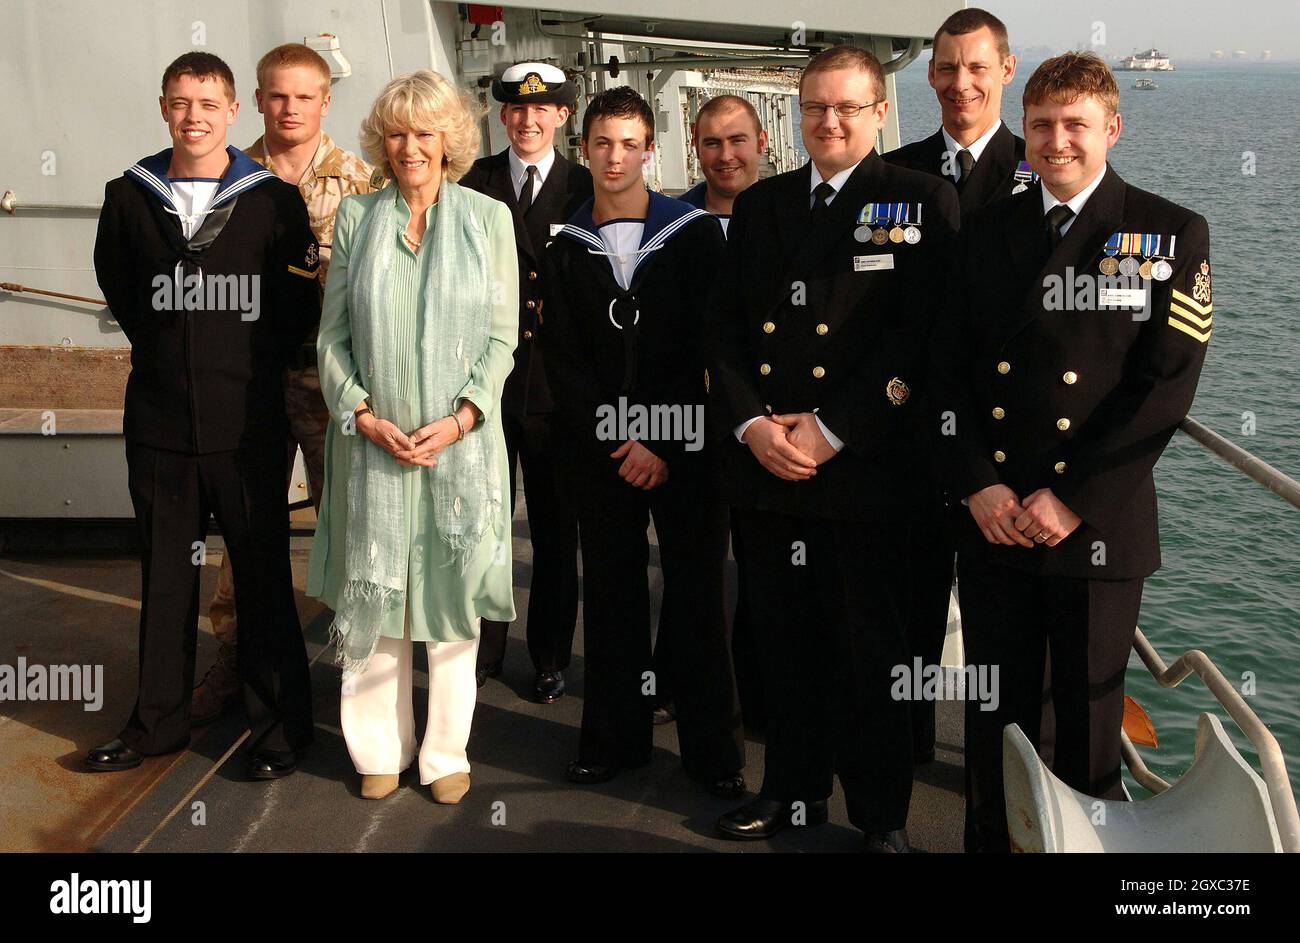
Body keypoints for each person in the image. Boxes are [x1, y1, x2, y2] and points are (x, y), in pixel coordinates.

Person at [931, 52, 1211, 852]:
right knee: (996, 715)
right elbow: (942, 371)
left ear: (1112, 129)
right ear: (1024, 128)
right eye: (1043, 124)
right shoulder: (979, 232)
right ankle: (989, 842)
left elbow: (1163, 391)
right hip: (994, 520)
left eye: (1076, 125)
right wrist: (978, 486)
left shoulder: (1170, 232)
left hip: (1095, 526)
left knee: (1089, 725)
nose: (1058, 141)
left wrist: (1072, 496)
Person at [709, 45, 959, 851]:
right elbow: (725, 333)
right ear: (797, 112)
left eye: (849, 107)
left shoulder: (921, 202)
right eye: (816, 106)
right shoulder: (762, 205)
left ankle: (882, 817)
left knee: (871, 657)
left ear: (881, 113)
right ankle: (789, 791)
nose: (830, 121)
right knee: (783, 647)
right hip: (771, 467)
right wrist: (751, 424)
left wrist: (831, 428)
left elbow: (918, 340)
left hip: (868, 472)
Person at [87, 52, 318, 778]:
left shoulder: (272, 201)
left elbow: (295, 311)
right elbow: (124, 294)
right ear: (163, 109)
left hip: (247, 425)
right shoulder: (129, 197)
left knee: (262, 580)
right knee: (165, 578)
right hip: (159, 424)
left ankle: (279, 730)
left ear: (232, 113)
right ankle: (155, 723)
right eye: (181, 103)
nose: (194, 117)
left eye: (209, 104)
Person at [307, 70, 519, 803]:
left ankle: (445, 753)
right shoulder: (359, 219)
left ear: (450, 141)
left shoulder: (489, 219)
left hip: (459, 446)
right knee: (376, 595)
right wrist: (361, 413)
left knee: (451, 603)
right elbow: (331, 338)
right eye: (397, 134)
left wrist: (460, 419)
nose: (410, 147)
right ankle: (377, 747)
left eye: (425, 133)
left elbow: (502, 339)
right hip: (372, 442)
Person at [540, 86, 745, 797]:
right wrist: (616, 438)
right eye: (603, 143)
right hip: (601, 454)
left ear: (651, 149)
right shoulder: (566, 245)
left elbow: (705, 350)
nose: (616, 156)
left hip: (684, 449)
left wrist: (657, 438)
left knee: (696, 601)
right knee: (613, 598)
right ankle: (612, 739)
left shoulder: (689, 236)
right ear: (585, 149)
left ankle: (713, 754)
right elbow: (561, 360)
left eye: (630, 144)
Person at [192, 42, 383, 725]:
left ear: (326, 101)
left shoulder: (364, 183)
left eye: (305, 96)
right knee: (245, 530)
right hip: (248, 385)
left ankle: (362, 674)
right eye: (278, 95)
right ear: (259, 97)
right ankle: (236, 656)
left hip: (331, 387)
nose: (290, 108)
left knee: (352, 526)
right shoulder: (223, 179)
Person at [883, 7, 1023, 765]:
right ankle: (901, 765)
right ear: (928, 74)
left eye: (976, 67)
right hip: (906, 440)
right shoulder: (894, 174)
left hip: (1002, 455)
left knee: (1001, 635)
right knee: (907, 618)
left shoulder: (1041, 177)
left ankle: (994, 788)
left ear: (1006, 70)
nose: (959, 83)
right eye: (945, 68)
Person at [460, 61, 591, 703]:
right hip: (489, 382)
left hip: (556, 389)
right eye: (515, 109)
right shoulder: (476, 182)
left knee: (553, 529)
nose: (528, 121)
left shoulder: (586, 186)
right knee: (484, 522)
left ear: (563, 116)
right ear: (502, 115)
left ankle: (548, 655)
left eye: (542, 110)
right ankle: (483, 648)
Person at [658, 93, 769, 731]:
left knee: (762, 564)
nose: (725, 156)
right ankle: (677, 681)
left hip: (760, 419)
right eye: (711, 144)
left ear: (760, 141)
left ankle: (756, 690)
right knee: (692, 562)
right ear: (695, 149)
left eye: (737, 141)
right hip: (692, 416)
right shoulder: (673, 223)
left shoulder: (787, 215)